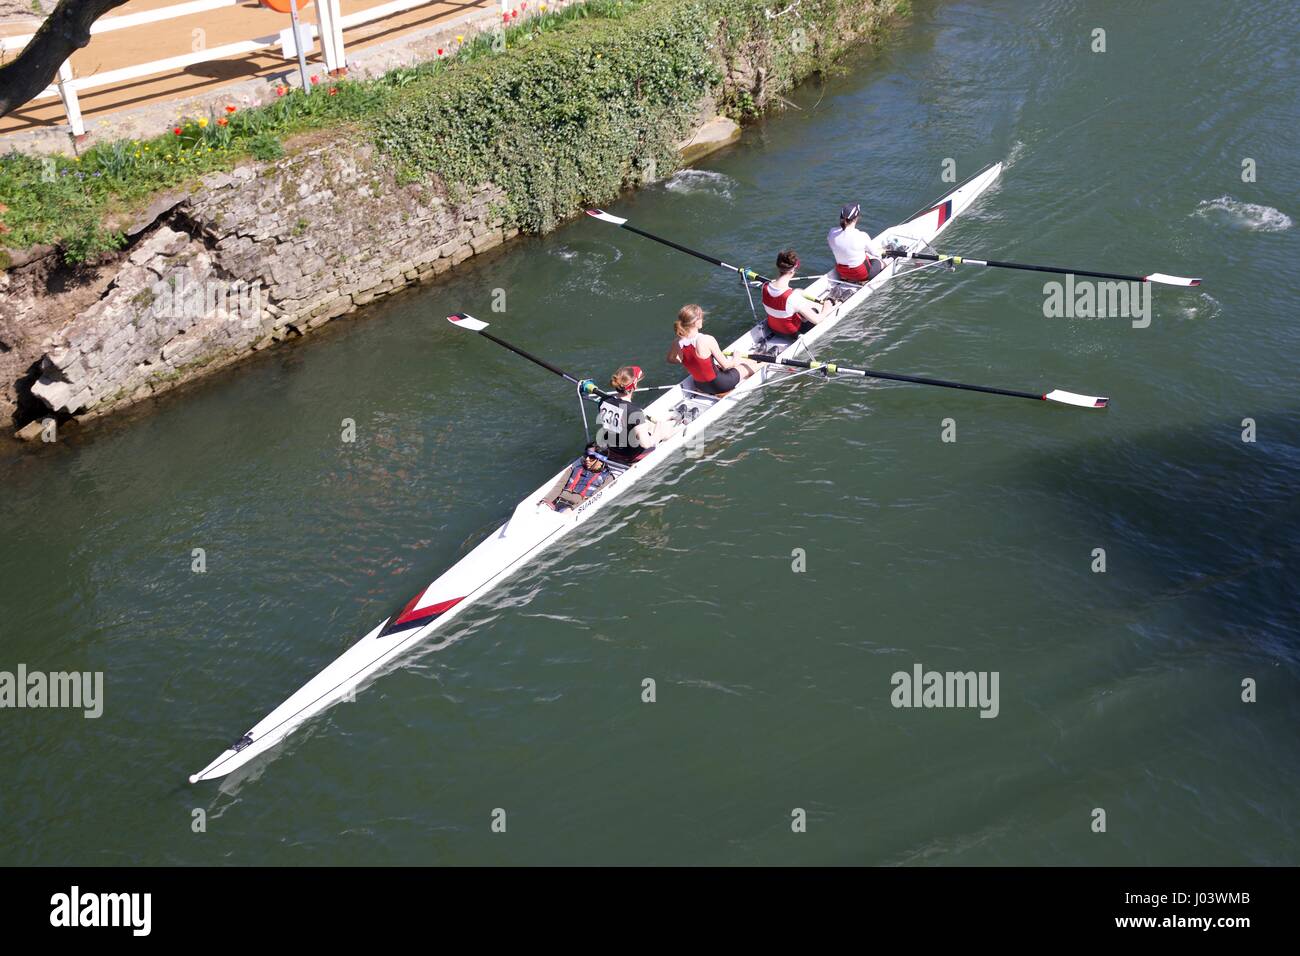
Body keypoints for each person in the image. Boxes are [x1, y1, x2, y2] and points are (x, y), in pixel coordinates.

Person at [666, 304, 759, 396]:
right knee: (746, 365)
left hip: (700, 386)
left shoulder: (676, 342)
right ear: (696, 322)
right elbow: (727, 366)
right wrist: (736, 358)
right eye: (701, 317)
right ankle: (762, 364)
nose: (703, 319)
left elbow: (670, 359)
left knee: (730, 365)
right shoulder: (706, 339)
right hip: (720, 384)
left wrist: (687, 361)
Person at [594, 365, 677, 462]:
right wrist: (659, 434)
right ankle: (678, 422)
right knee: (665, 429)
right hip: (630, 455)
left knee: (645, 425)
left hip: (611, 449)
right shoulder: (635, 412)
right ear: (634, 386)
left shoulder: (604, 401)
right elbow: (646, 444)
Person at [761, 250, 830, 337]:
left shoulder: (764, 286)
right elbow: (817, 320)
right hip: (792, 333)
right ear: (793, 270)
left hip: (773, 328)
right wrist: (827, 307)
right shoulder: (792, 298)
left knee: (797, 291)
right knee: (817, 310)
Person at [827, 202, 885, 282]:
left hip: (842, 273)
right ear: (857, 218)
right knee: (878, 261)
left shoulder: (831, 232)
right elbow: (876, 254)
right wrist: (881, 252)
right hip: (861, 274)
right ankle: (888, 262)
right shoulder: (862, 235)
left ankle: (847, 278)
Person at [541, 446, 610, 511]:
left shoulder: (607, 477)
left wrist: (572, 509)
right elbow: (559, 485)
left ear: (600, 461)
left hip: (574, 507)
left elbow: (595, 496)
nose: (587, 459)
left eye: (592, 457)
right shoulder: (575, 468)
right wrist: (547, 500)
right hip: (557, 501)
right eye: (586, 455)